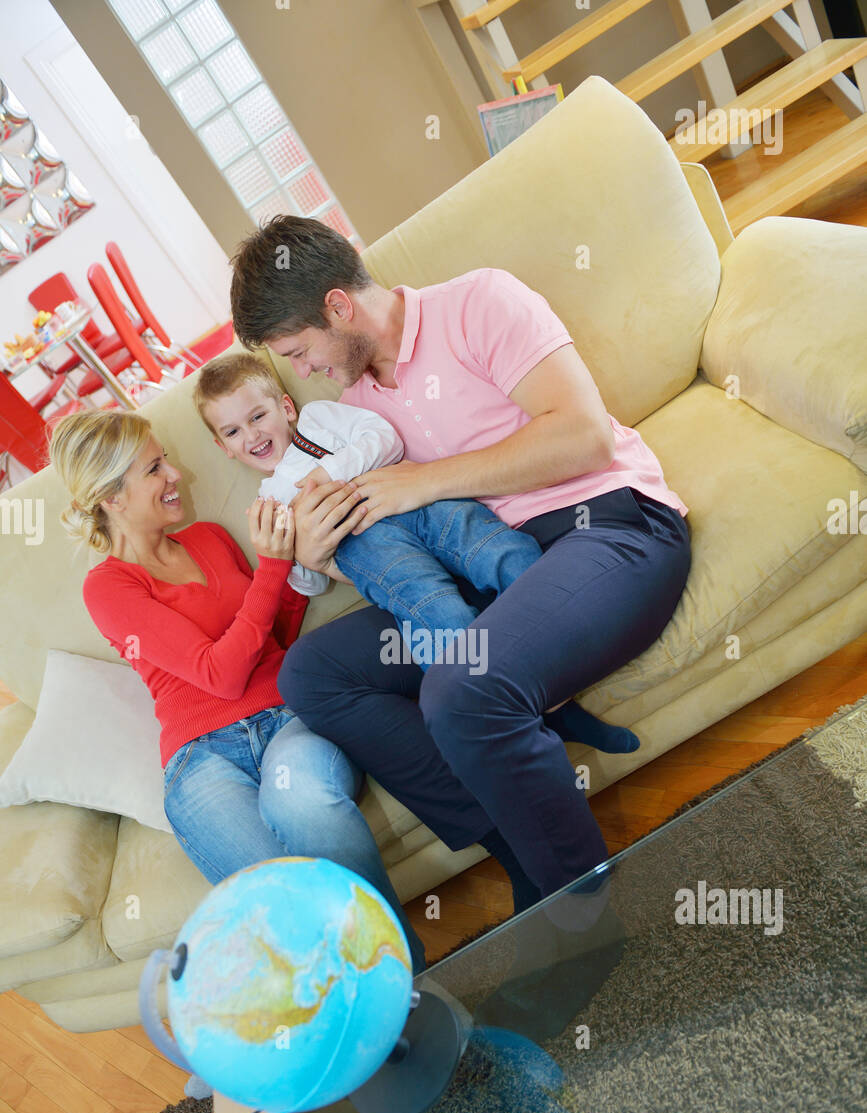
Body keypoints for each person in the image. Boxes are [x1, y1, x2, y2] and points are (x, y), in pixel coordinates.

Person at [229, 216, 693, 916]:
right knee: (313, 675)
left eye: (298, 350)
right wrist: (321, 552)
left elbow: (584, 436)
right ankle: (518, 847)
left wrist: (425, 479)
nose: (301, 372)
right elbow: (398, 558)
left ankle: (583, 912)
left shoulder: (478, 303)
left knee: (459, 687)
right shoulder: (349, 414)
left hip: (606, 525)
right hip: (483, 571)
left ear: (337, 306)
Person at [50, 407, 427, 973]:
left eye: (166, 460)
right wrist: (274, 567)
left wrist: (298, 564)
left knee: (302, 804)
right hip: (201, 761)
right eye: (155, 469)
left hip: (287, 718)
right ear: (113, 498)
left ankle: (408, 973)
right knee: (285, 902)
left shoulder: (208, 538)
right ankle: (365, 1017)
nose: (175, 474)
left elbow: (270, 636)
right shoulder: (108, 587)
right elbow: (219, 673)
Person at [194, 353, 638, 750]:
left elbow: (383, 438)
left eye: (258, 416)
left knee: (503, 552)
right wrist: (292, 556)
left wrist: (329, 474)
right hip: (369, 545)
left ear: (285, 408)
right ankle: (529, 722)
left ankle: (566, 677)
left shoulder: (318, 421)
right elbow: (307, 584)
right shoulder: (268, 504)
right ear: (222, 448)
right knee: (436, 614)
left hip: (415, 499)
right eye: (233, 431)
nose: (251, 434)